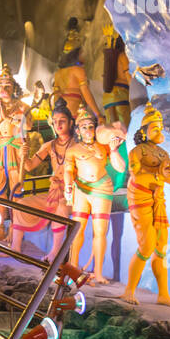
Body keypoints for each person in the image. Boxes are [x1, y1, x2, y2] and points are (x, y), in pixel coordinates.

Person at [122, 107, 170, 308]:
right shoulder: (136, 151)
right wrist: (160, 176)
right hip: (140, 197)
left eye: (161, 128)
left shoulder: (163, 153)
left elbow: (169, 175)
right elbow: (136, 175)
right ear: (144, 131)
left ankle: (163, 294)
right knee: (146, 245)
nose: (160, 132)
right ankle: (129, 290)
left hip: (158, 199)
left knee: (161, 247)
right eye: (155, 129)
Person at [64, 107, 126, 284]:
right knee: (77, 229)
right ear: (77, 130)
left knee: (100, 231)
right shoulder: (73, 150)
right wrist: (68, 184)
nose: (88, 130)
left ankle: (98, 273)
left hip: (102, 189)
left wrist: (114, 150)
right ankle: (73, 269)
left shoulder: (104, 146)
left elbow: (120, 168)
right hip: (81, 189)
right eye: (83, 127)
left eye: (91, 126)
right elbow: (68, 170)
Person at [0, 64, 29, 245]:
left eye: (7, 85)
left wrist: (9, 118)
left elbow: (28, 125)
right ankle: (0, 229)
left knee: (17, 191)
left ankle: (15, 230)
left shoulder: (21, 106)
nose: (4, 88)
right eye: (1, 85)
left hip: (16, 150)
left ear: (13, 87)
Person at [23, 101, 77, 259]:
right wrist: (24, 154)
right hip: (54, 191)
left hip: (72, 191)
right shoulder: (49, 145)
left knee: (60, 209)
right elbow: (29, 166)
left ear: (70, 122)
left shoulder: (77, 144)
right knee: (21, 204)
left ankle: (55, 252)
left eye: (62, 121)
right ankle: (14, 248)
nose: (58, 125)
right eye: (55, 122)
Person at [52, 18, 104, 122]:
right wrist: (98, 114)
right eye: (81, 52)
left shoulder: (58, 73)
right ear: (75, 54)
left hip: (61, 115)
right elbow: (86, 93)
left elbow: (56, 96)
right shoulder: (78, 70)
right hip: (74, 112)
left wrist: (55, 115)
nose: (84, 55)